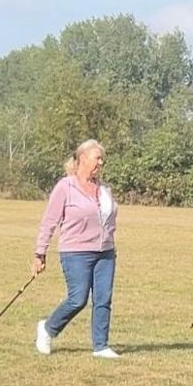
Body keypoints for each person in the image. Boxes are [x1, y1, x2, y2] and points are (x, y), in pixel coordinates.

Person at [32, 139, 121, 358]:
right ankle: (47, 328)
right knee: (78, 298)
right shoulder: (66, 187)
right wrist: (39, 253)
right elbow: (49, 221)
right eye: (97, 158)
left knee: (103, 299)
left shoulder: (103, 189)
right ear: (82, 159)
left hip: (105, 252)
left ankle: (101, 346)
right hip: (76, 252)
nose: (101, 162)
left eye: (102, 158)